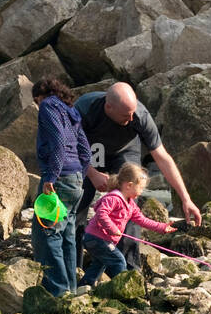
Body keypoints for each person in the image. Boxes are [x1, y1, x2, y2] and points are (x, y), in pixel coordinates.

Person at [74, 82, 203, 272]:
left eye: (133, 112)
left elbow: (163, 158)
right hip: (89, 150)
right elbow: (68, 146)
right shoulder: (85, 109)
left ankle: (128, 270)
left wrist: (186, 198)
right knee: (79, 201)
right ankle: (74, 269)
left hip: (124, 151)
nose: (132, 118)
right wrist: (92, 173)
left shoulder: (139, 116)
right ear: (108, 107)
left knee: (129, 204)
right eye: (126, 115)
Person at [31, 78, 110, 296]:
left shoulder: (48, 106)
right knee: (66, 234)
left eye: (36, 102)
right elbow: (85, 148)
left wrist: (51, 176)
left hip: (59, 178)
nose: (38, 106)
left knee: (47, 234)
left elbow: (56, 141)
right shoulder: (70, 110)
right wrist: (80, 173)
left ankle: (57, 291)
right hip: (75, 179)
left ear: (41, 96)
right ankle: (71, 288)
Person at [79, 163, 176, 287]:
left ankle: (84, 286)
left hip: (102, 240)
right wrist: (112, 228)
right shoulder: (114, 198)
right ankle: (124, 288)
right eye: (140, 188)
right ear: (129, 185)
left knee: (99, 264)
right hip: (95, 238)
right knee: (118, 261)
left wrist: (162, 227)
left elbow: (142, 220)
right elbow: (101, 213)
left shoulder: (130, 204)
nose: (141, 192)